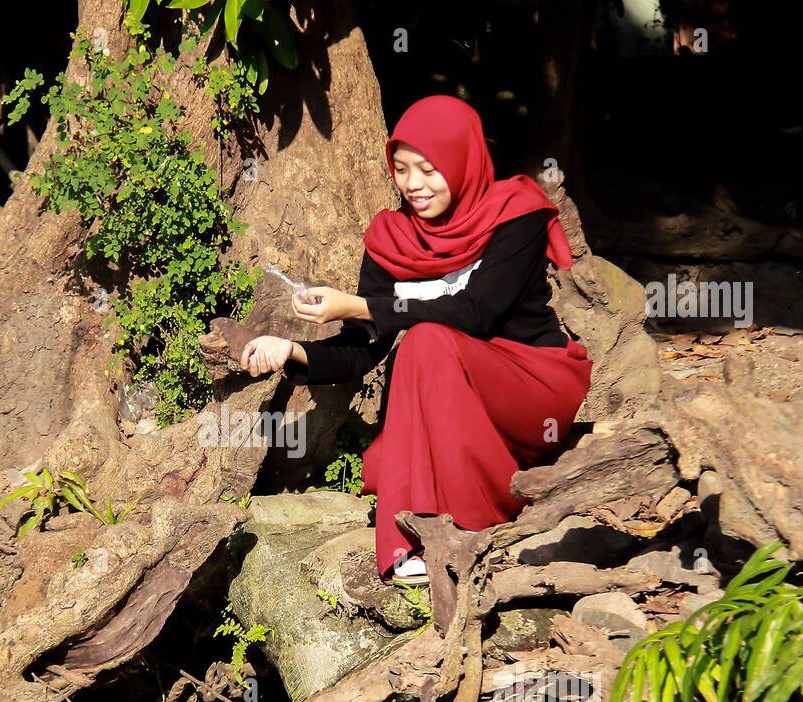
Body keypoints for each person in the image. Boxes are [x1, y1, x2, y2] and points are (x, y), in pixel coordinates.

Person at [239, 95, 592, 586]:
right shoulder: (391, 240)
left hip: (532, 382)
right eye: (402, 170)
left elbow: (477, 311)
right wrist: (293, 351)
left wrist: (359, 304)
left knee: (426, 340)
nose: (414, 185)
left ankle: (469, 525)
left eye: (429, 170)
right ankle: (414, 541)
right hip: (454, 395)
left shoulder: (517, 214)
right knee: (422, 343)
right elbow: (365, 347)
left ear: (463, 160)